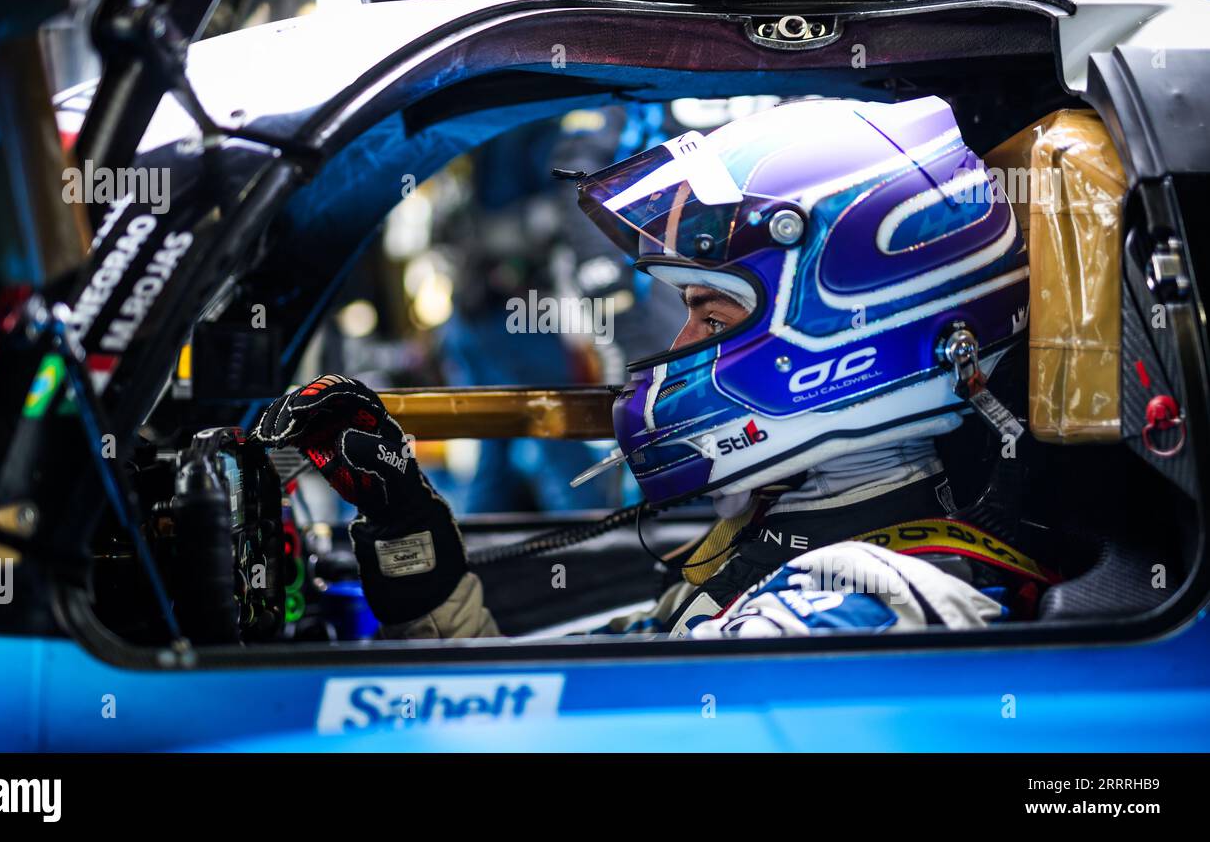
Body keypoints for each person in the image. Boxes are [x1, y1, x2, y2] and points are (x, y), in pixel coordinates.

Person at [251, 96, 1058, 640]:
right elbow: (545, 709)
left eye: (710, 315)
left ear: (849, 330)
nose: (680, 351)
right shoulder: (788, 539)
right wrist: (407, 536)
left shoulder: (852, 609)